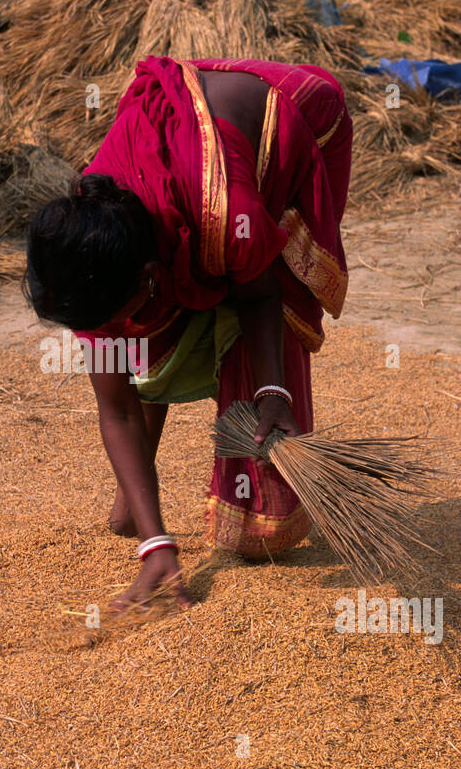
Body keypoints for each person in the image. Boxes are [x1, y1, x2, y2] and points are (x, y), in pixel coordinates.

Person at [25, 57, 351, 610]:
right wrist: (155, 543)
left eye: (112, 319)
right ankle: (140, 497)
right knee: (129, 514)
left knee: (257, 532)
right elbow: (117, 408)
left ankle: (253, 475)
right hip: (201, 160)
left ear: (151, 276)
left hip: (294, 122)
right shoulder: (83, 255)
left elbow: (260, 292)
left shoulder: (228, 216)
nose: (105, 335)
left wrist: (274, 395)